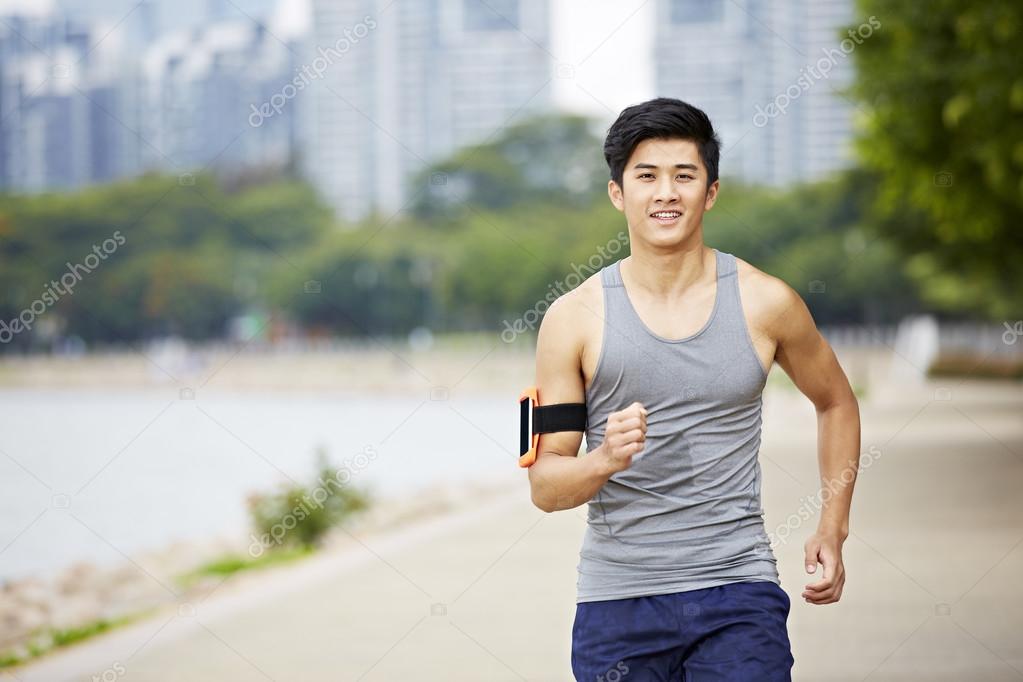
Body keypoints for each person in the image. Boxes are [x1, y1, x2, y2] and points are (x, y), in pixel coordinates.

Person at [527, 97, 862, 681]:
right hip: (617, 604)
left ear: (710, 192)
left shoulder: (766, 301)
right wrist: (604, 459)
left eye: (684, 176)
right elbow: (546, 488)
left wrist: (832, 527)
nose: (666, 193)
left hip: (738, 592)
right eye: (646, 177)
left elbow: (836, 402)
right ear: (617, 193)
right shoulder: (573, 318)